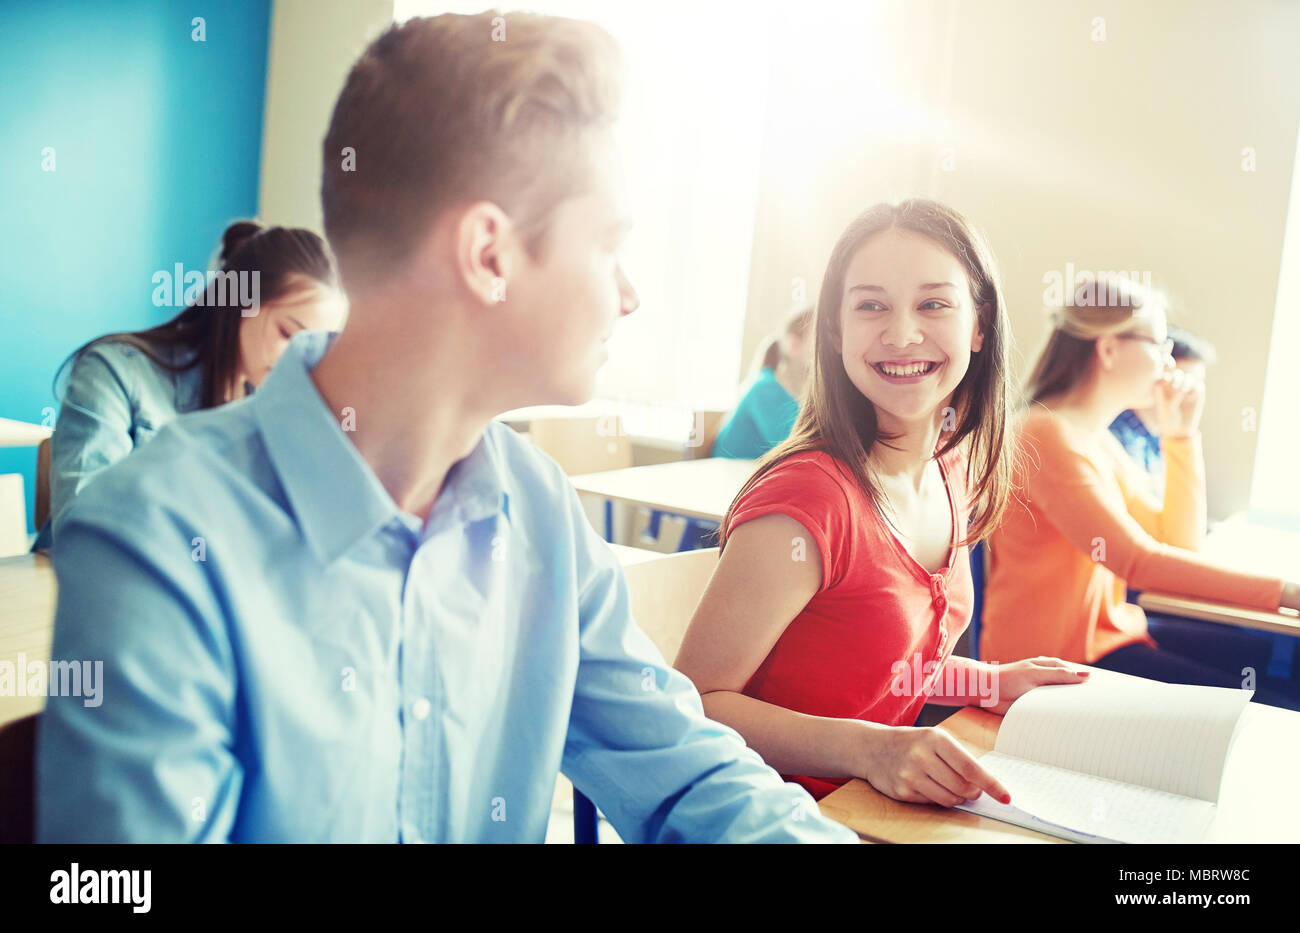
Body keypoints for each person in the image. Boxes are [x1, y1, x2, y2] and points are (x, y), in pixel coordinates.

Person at [37, 12, 858, 843]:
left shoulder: (539, 510)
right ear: (489, 255)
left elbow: (688, 773)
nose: (630, 294)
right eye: (608, 244)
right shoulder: (160, 536)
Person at [674, 200, 1087, 808]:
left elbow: (874, 669)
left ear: (980, 324)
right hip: (767, 815)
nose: (900, 334)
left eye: (933, 304)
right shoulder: (808, 498)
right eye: (871, 305)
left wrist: (988, 683)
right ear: (837, 329)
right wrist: (870, 750)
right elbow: (695, 706)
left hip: (870, 808)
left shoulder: (952, 472)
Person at [981, 275, 1300, 707]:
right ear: (1109, 349)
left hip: (1108, 637)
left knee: (1264, 658)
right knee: (1260, 701)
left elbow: (1178, 544)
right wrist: (1285, 591)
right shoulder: (1044, 434)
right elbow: (1137, 563)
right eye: (1159, 343)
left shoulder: (1095, 438)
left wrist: (1181, 436)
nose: (1169, 363)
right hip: (1052, 666)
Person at [33, 221, 345, 549]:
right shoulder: (113, 372)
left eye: (312, 349)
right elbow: (84, 530)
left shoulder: (275, 410)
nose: (298, 363)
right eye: (288, 334)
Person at [1109, 324, 1216, 499]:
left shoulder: (1160, 439)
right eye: (1182, 381)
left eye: (1196, 385)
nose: (1190, 395)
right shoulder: (1116, 437)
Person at [712, 306, 813, 458]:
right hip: (729, 475)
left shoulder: (790, 395)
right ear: (794, 345)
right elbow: (797, 450)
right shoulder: (765, 389)